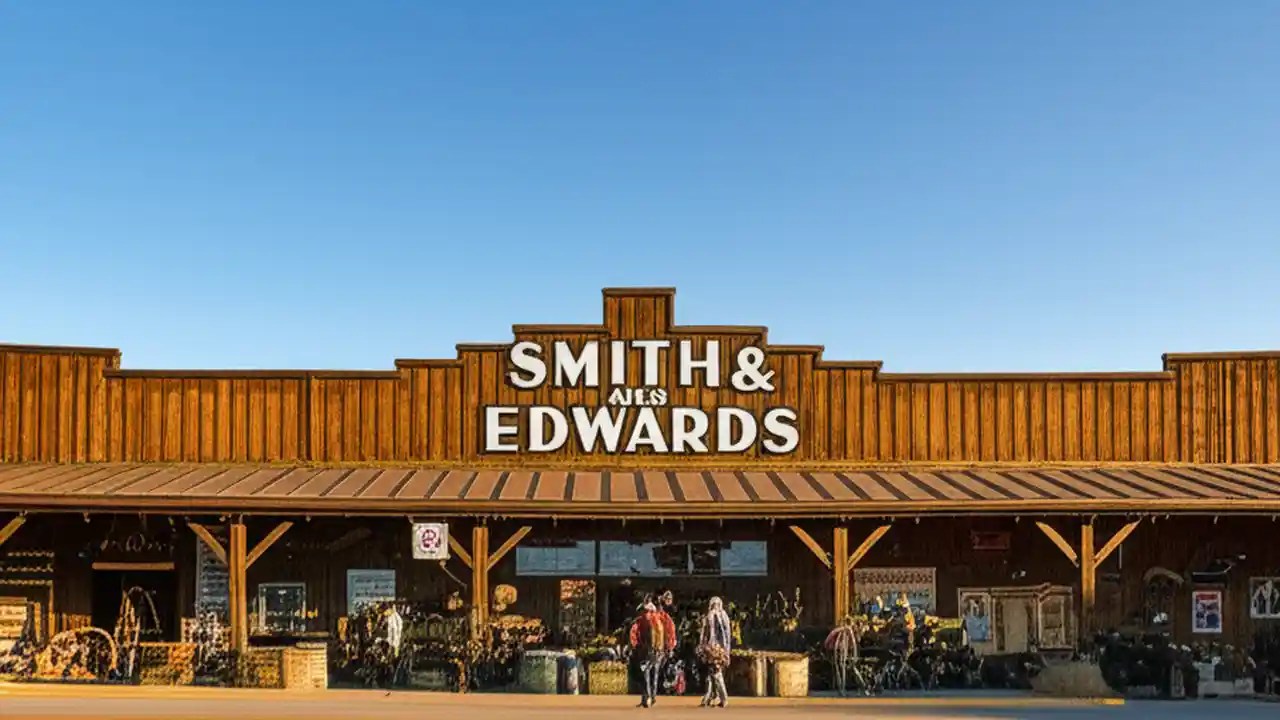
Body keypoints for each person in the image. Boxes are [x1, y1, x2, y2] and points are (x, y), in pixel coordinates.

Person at [629, 595, 677, 708]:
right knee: (653, 674)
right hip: (657, 650)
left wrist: (635, 646)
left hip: (650, 650)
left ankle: (648, 697)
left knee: (646, 673)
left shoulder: (647, 619)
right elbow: (670, 632)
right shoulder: (662, 618)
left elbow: (634, 633)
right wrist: (668, 647)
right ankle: (650, 697)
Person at [697, 596, 732, 707]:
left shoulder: (710, 616)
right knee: (711, 673)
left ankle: (723, 698)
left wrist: (703, 646)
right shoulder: (724, 616)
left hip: (712, 649)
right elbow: (727, 636)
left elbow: (706, 634)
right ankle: (709, 697)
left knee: (716, 673)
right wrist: (726, 650)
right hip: (720, 649)